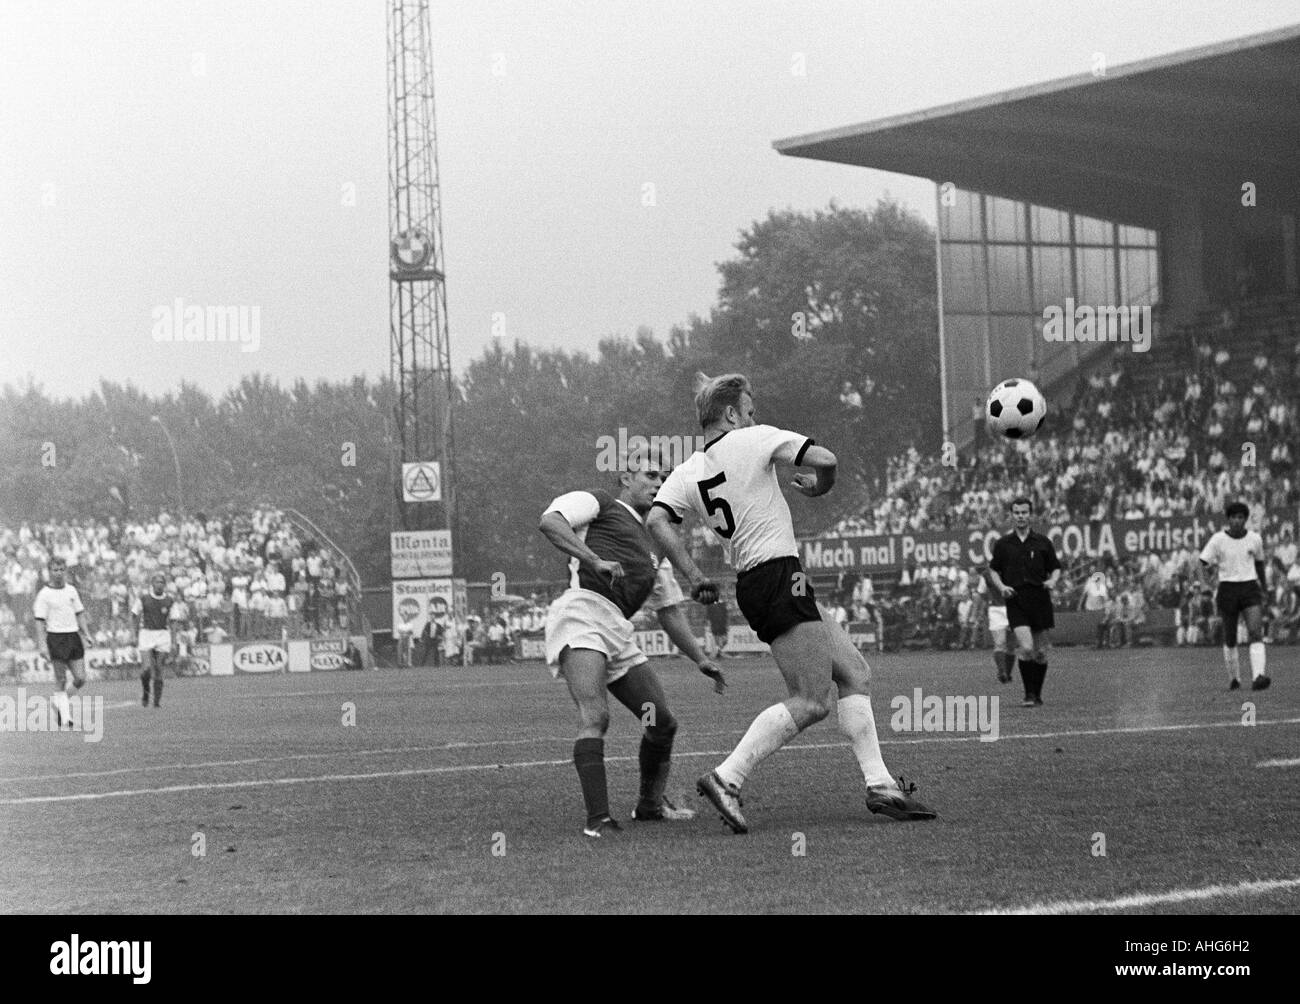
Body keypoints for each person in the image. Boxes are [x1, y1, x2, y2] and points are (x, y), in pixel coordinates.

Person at [647, 372, 934, 834]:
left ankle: (881, 786)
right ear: (732, 414)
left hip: (761, 579)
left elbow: (658, 521)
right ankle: (727, 777)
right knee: (811, 700)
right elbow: (826, 458)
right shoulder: (755, 438)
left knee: (854, 671)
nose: (755, 416)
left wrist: (695, 575)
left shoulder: (687, 472)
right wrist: (822, 485)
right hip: (777, 575)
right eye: (751, 408)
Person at [538, 451, 724, 839]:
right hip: (581, 614)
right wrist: (593, 559)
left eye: (663, 478)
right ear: (625, 476)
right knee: (596, 716)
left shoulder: (656, 541)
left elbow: (668, 610)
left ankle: (649, 807)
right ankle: (598, 821)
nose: (658, 483)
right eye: (650, 474)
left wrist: (701, 659)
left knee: (661, 722)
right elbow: (550, 522)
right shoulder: (601, 504)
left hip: (617, 630)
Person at [986, 497, 1061, 707]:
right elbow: (993, 570)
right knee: (1026, 648)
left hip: (1040, 599)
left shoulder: (1043, 542)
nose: (1020, 516)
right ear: (1011, 515)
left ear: (1030, 515)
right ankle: (1028, 695)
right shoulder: (1003, 544)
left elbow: (1055, 566)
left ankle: (1037, 695)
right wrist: (1002, 587)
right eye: (1017, 513)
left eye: (1024, 512)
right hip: (1016, 600)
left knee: (1041, 653)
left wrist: (1053, 580)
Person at [1198, 501, 1270, 690]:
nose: (1237, 521)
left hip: (1250, 588)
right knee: (1230, 637)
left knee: (1255, 631)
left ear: (1245, 520)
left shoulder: (1255, 539)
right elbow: (1202, 562)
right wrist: (1205, 584)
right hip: (1228, 589)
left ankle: (1258, 677)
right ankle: (1234, 678)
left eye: (1240, 518)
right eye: (1233, 517)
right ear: (1228, 520)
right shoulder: (1218, 539)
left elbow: (1260, 564)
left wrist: (1264, 587)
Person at [32, 557, 90, 729]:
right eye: (55, 570)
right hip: (55, 638)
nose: (58, 573)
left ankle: (58, 702)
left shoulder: (72, 590)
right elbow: (39, 621)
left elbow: (80, 613)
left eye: (61, 569)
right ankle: (66, 718)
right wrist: (42, 644)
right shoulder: (44, 594)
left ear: (65, 570)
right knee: (61, 679)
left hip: (73, 636)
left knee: (80, 678)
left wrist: (86, 633)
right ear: (49, 571)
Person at [133, 573, 173, 708]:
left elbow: (173, 621)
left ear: (165, 585)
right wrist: (134, 634)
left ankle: (156, 702)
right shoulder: (144, 599)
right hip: (146, 634)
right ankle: (145, 692)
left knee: (159, 669)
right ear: (152, 584)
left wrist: (174, 640)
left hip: (163, 634)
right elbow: (133, 615)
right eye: (157, 582)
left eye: (162, 582)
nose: (159, 584)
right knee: (147, 669)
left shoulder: (169, 601)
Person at [978, 564, 1014, 682]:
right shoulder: (987, 573)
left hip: (1014, 609)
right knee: (1000, 642)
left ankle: (1007, 673)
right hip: (996, 610)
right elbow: (981, 591)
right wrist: (990, 600)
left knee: (1011, 645)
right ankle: (1001, 672)